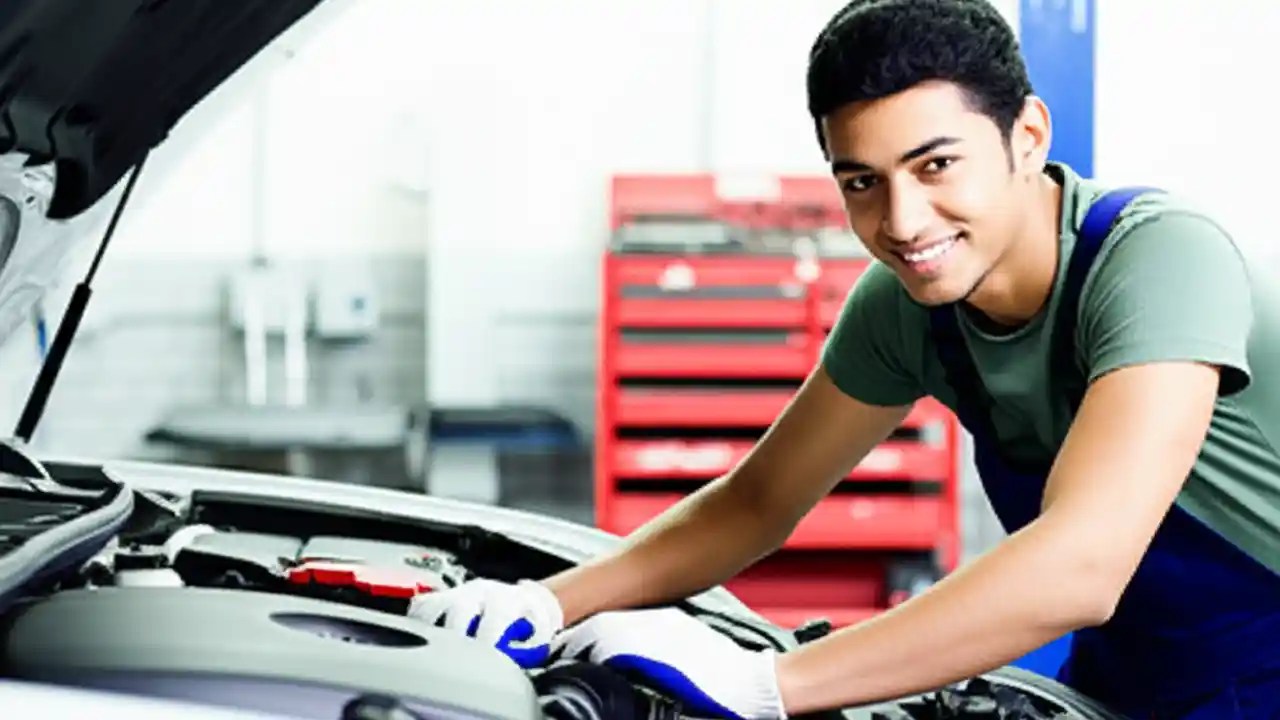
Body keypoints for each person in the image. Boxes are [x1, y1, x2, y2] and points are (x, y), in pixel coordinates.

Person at [409, 1, 1280, 717]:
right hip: (1141, 673)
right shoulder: (908, 307)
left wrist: (766, 685)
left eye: (936, 164)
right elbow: (758, 501)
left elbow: (1081, 565)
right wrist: (554, 599)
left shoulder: (1160, 259)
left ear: (1028, 136)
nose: (902, 222)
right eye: (862, 181)